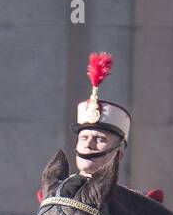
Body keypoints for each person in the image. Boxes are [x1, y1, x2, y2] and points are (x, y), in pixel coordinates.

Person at [59, 52, 163, 202]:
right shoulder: (54, 196)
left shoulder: (134, 203)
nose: (88, 144)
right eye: (84, 138)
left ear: (119, 155)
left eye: (100, 139)